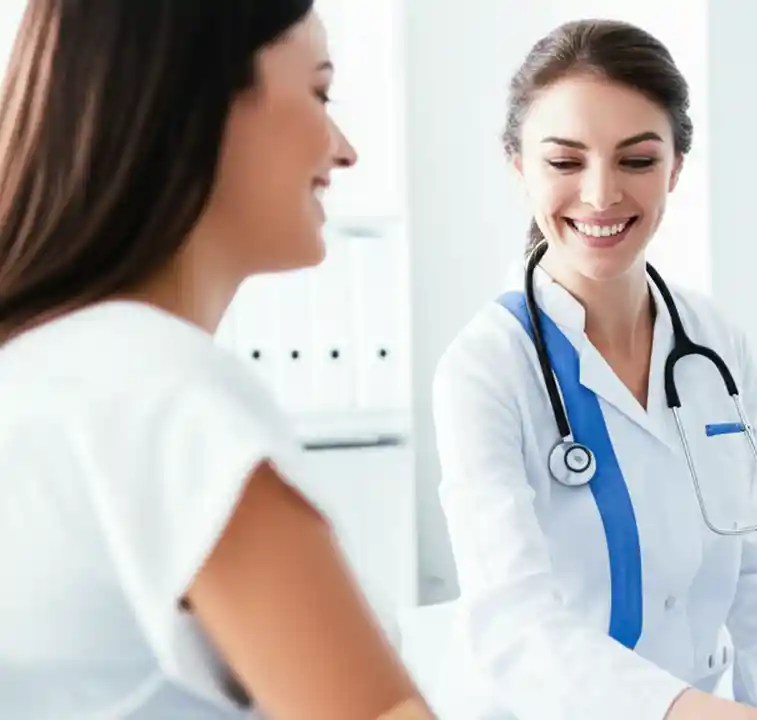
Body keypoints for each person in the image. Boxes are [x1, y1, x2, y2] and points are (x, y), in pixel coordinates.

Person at [0, 2, 435, 718]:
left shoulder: (46, 369)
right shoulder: (160, 385)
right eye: (319, 92)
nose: (345, 148)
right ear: (197, 103)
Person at [427, 17, 757, 720]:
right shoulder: (486, 368)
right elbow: (515, 623)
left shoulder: (714, 343)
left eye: (636, 160)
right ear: (518, 167)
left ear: (676, 167)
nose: (601, 195)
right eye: (565, 162)